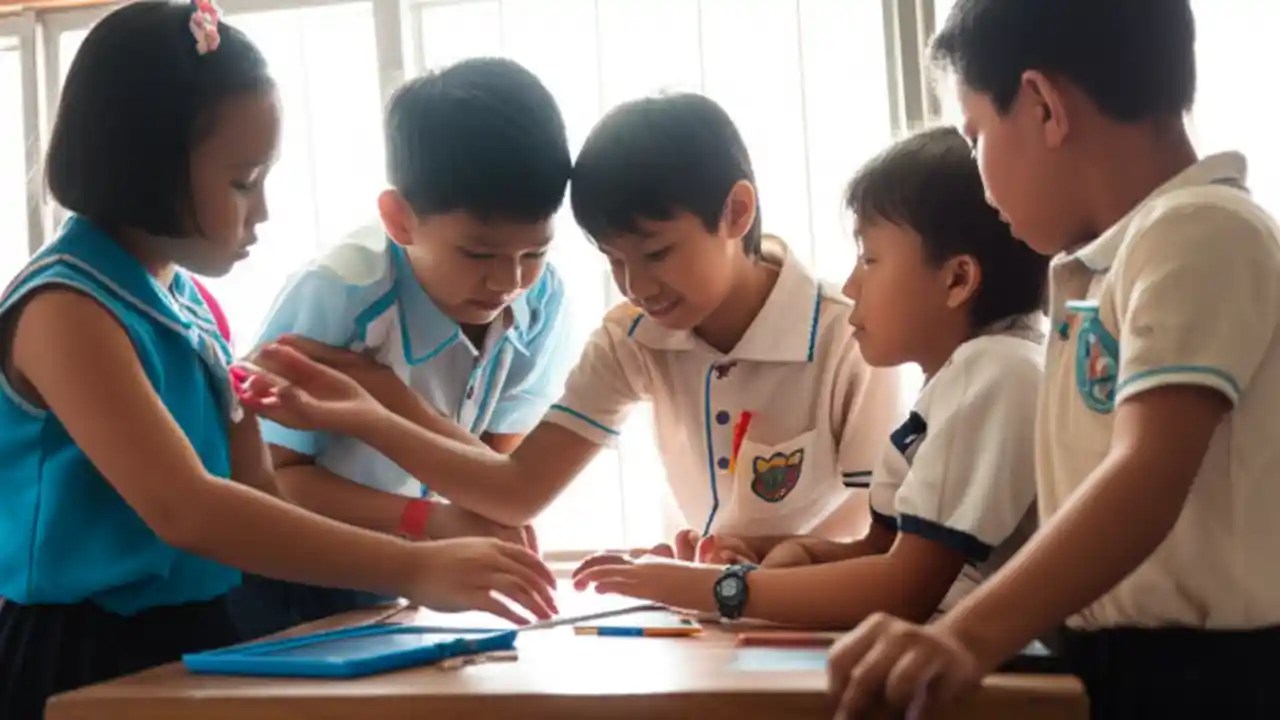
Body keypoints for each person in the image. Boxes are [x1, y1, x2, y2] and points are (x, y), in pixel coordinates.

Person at [0, 5, 553, 717]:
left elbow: (258, 490)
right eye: (242, 181)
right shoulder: (66, 308)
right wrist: (414, 562)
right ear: (146, 163)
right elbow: (187, 508)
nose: (260, 210)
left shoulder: (187, 301)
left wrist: (406, 568)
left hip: (199, 634)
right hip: (79, 653)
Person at [827, 2, 1280, 718]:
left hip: (1212, 677)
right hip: (1117, 660)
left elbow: (1145, 472)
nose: (977, 177)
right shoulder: (1111, 264)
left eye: (974, 135)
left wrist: (965, 637)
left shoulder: (1200, 231)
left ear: (1041, 105)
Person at [250, 93, 902, 563]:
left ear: (734, 212)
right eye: (614, 261)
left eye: (655, 254)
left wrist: (759, 556)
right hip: (708, 607)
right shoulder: (631, 337)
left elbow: (882, 538)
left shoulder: (852, 335)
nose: (636, 286)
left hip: (822, 611)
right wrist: (373, 411)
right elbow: (516, 491)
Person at [570, 127, 1046, 630]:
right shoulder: (964, 378)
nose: (850, 284)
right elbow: (878, 553)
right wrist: (789, 552)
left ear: (957, 279)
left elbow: (904, 588)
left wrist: (699, 588)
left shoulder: (994, 374)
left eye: (870, 260)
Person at [228, 57, 574, 638]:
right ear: (398, 220)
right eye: (478, 254)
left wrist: (454, 523)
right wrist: (427, 520)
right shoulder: (340, 293)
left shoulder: (542, 300)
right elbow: (269, 481)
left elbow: (501, 479)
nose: (508, 281)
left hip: (405, 581)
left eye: (534, 252)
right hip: (285, 582)